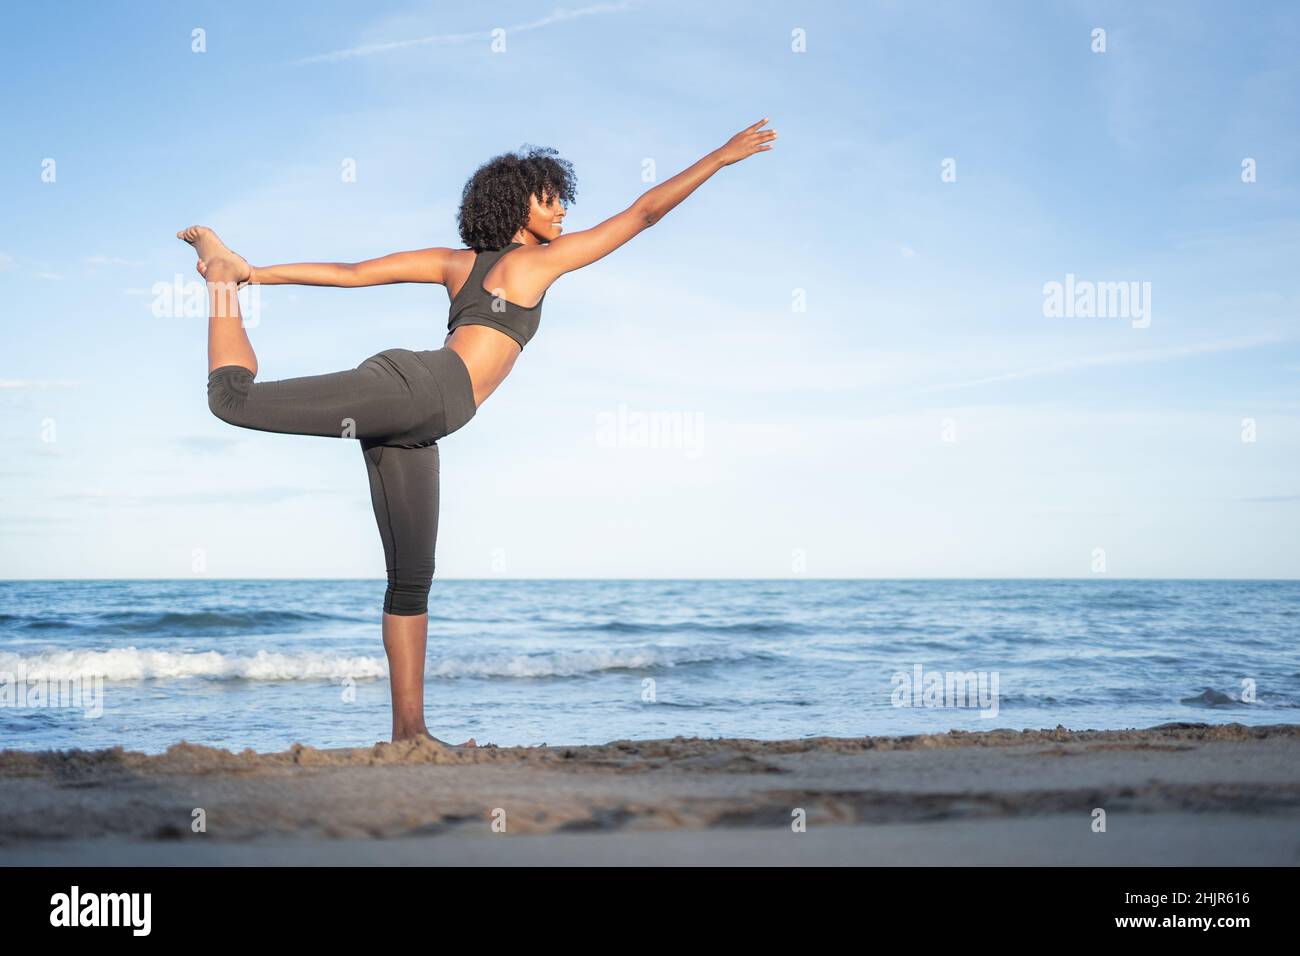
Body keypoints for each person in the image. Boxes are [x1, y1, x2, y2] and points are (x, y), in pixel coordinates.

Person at [178, 119, 778, 747]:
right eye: (551, 197)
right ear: (520, 206)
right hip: (416, 389)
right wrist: (720, 156)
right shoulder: (536, 263)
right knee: (232, 400)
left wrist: (262, 270)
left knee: (411, 579)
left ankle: (410, 735)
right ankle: (220, 282)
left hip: (419, 422)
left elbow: (353, 271)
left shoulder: (457, 264)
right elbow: (644, 214)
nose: (564, 208)